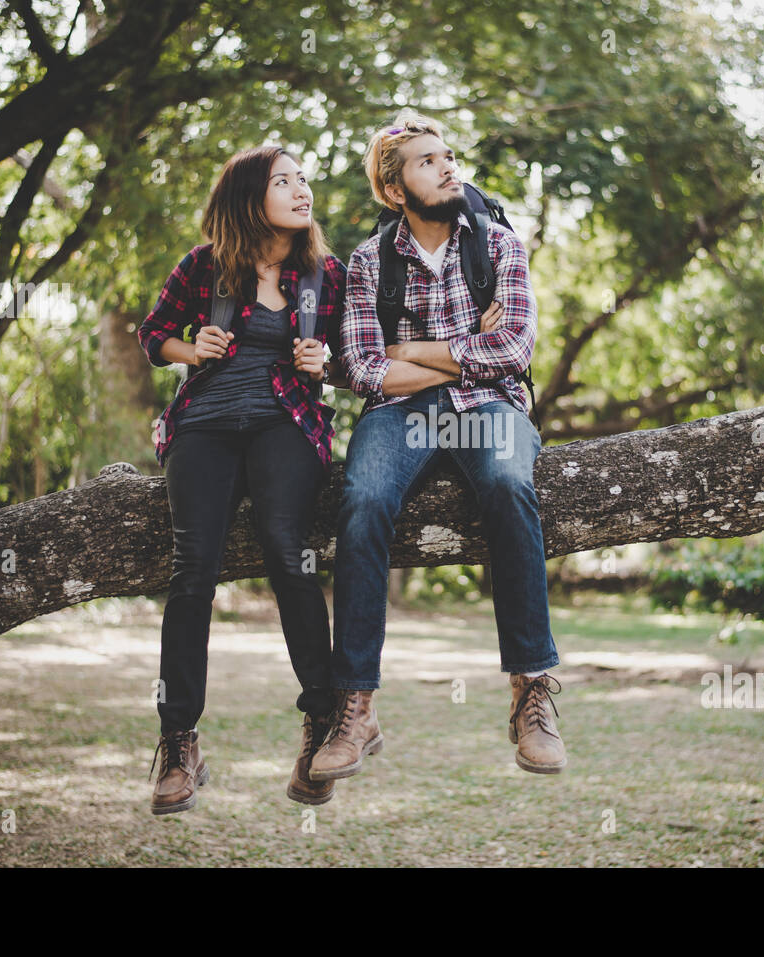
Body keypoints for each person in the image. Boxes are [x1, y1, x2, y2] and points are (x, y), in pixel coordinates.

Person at [310, 111, 566, 785]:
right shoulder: (369, 262)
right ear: (395, 191)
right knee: (362, 499)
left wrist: (413, 349)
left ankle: (531, 690)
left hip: (490, 409)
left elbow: (514, 350)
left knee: (511, 485)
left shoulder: (500, 245)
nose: (448, 167)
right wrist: (460, 356)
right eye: (428, 161)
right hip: (401, 412)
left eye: (449, 156)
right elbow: (362, 369)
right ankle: (356, 706)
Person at [136, 145, 350, 814]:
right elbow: (153, 333)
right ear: (248, 195)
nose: (300, 189)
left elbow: (358, 358)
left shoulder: (326, 274)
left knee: (288, 547)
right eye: (282, 180)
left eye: (302, 178)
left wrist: (326, 361)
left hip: (287, 417)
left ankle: (321, 722)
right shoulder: (204, 266)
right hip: (205, 418)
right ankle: (178, 743)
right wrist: (189, 345)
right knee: (192, 564)